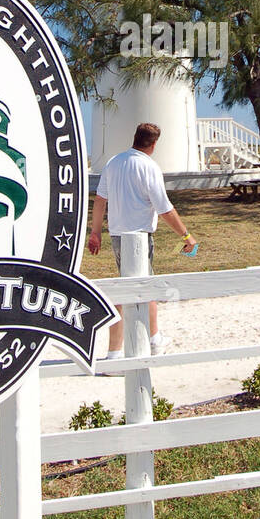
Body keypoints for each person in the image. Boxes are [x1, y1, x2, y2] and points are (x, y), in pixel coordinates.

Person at [87, 122, 197, 360]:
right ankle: (147, 343)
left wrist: (95, 232)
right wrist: (186, 236)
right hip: (139, 237)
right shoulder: (149, 167)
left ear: (135, 137)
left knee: (129, 288)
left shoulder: (113, 162)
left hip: (117, 236)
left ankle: (124, 349)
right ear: (154, 144)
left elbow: (100, 200)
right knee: (143, 290)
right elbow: (164, 209)